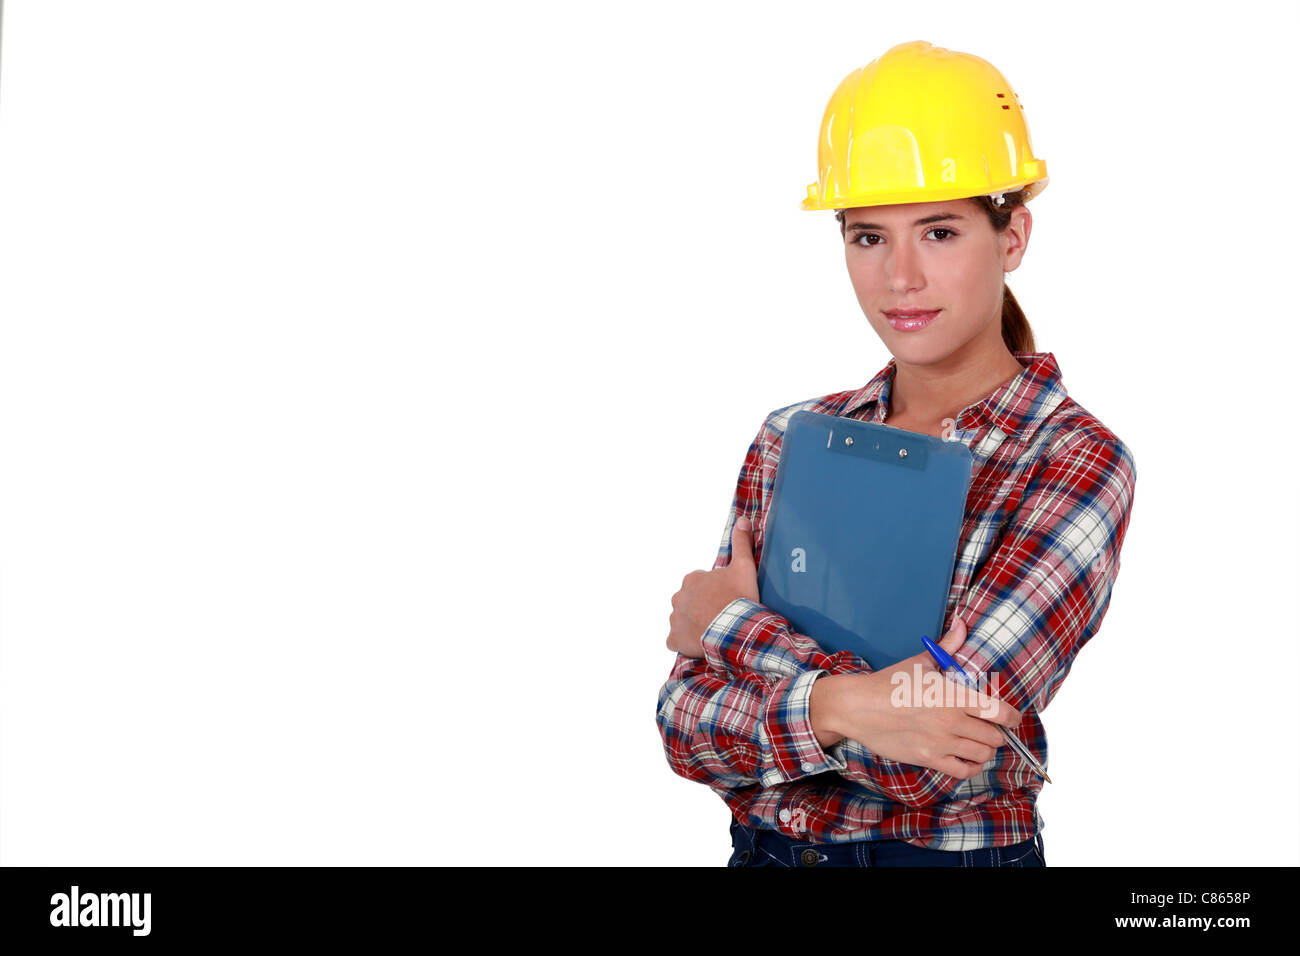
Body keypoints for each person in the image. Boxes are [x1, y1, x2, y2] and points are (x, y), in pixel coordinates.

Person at [654, 40, 1138, 867]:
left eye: (940, 231)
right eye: (868, 237)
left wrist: (727, 626)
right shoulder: (790, 438)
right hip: (765, 854)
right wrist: (856, 704)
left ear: (1013, 234)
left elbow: (938, 760)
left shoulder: (1072, 460)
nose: (900, 278)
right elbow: (685, 726)